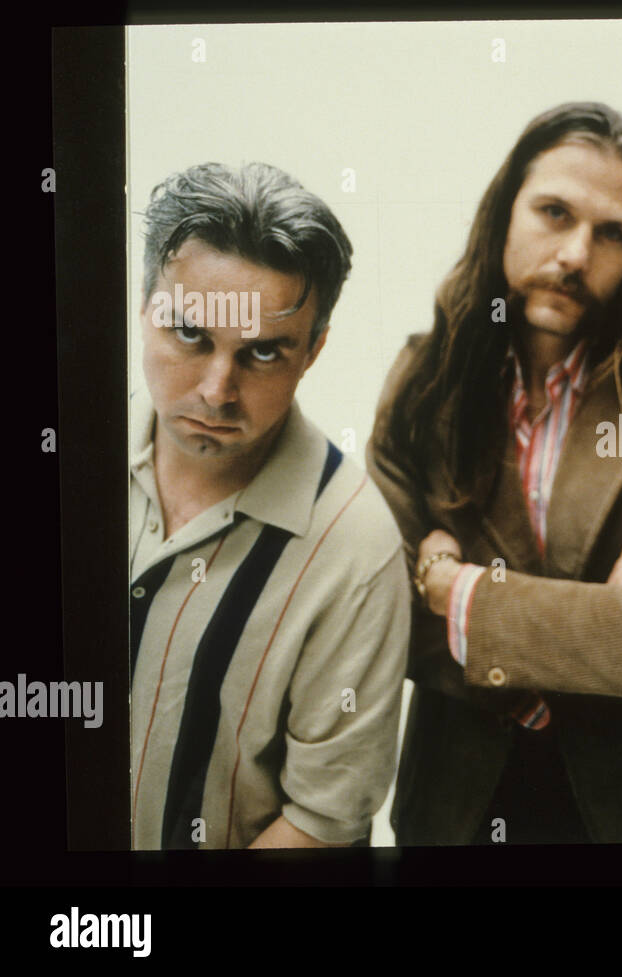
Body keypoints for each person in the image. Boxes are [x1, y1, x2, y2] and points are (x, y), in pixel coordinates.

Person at [367, 102, 622, 845]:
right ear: (504, 210)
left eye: (613, 234)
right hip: (459, 808)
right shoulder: (425, 378)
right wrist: (599, 613)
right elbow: (387, 620)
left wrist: (456, 587)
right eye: (554, 212)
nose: (576, 254)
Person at [129, 162, 409, 849]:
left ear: (313, 350)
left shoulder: (358, 545)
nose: (217, 390)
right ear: (143, 310)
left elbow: (320, 822)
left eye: (261, 353)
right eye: (191, 336)